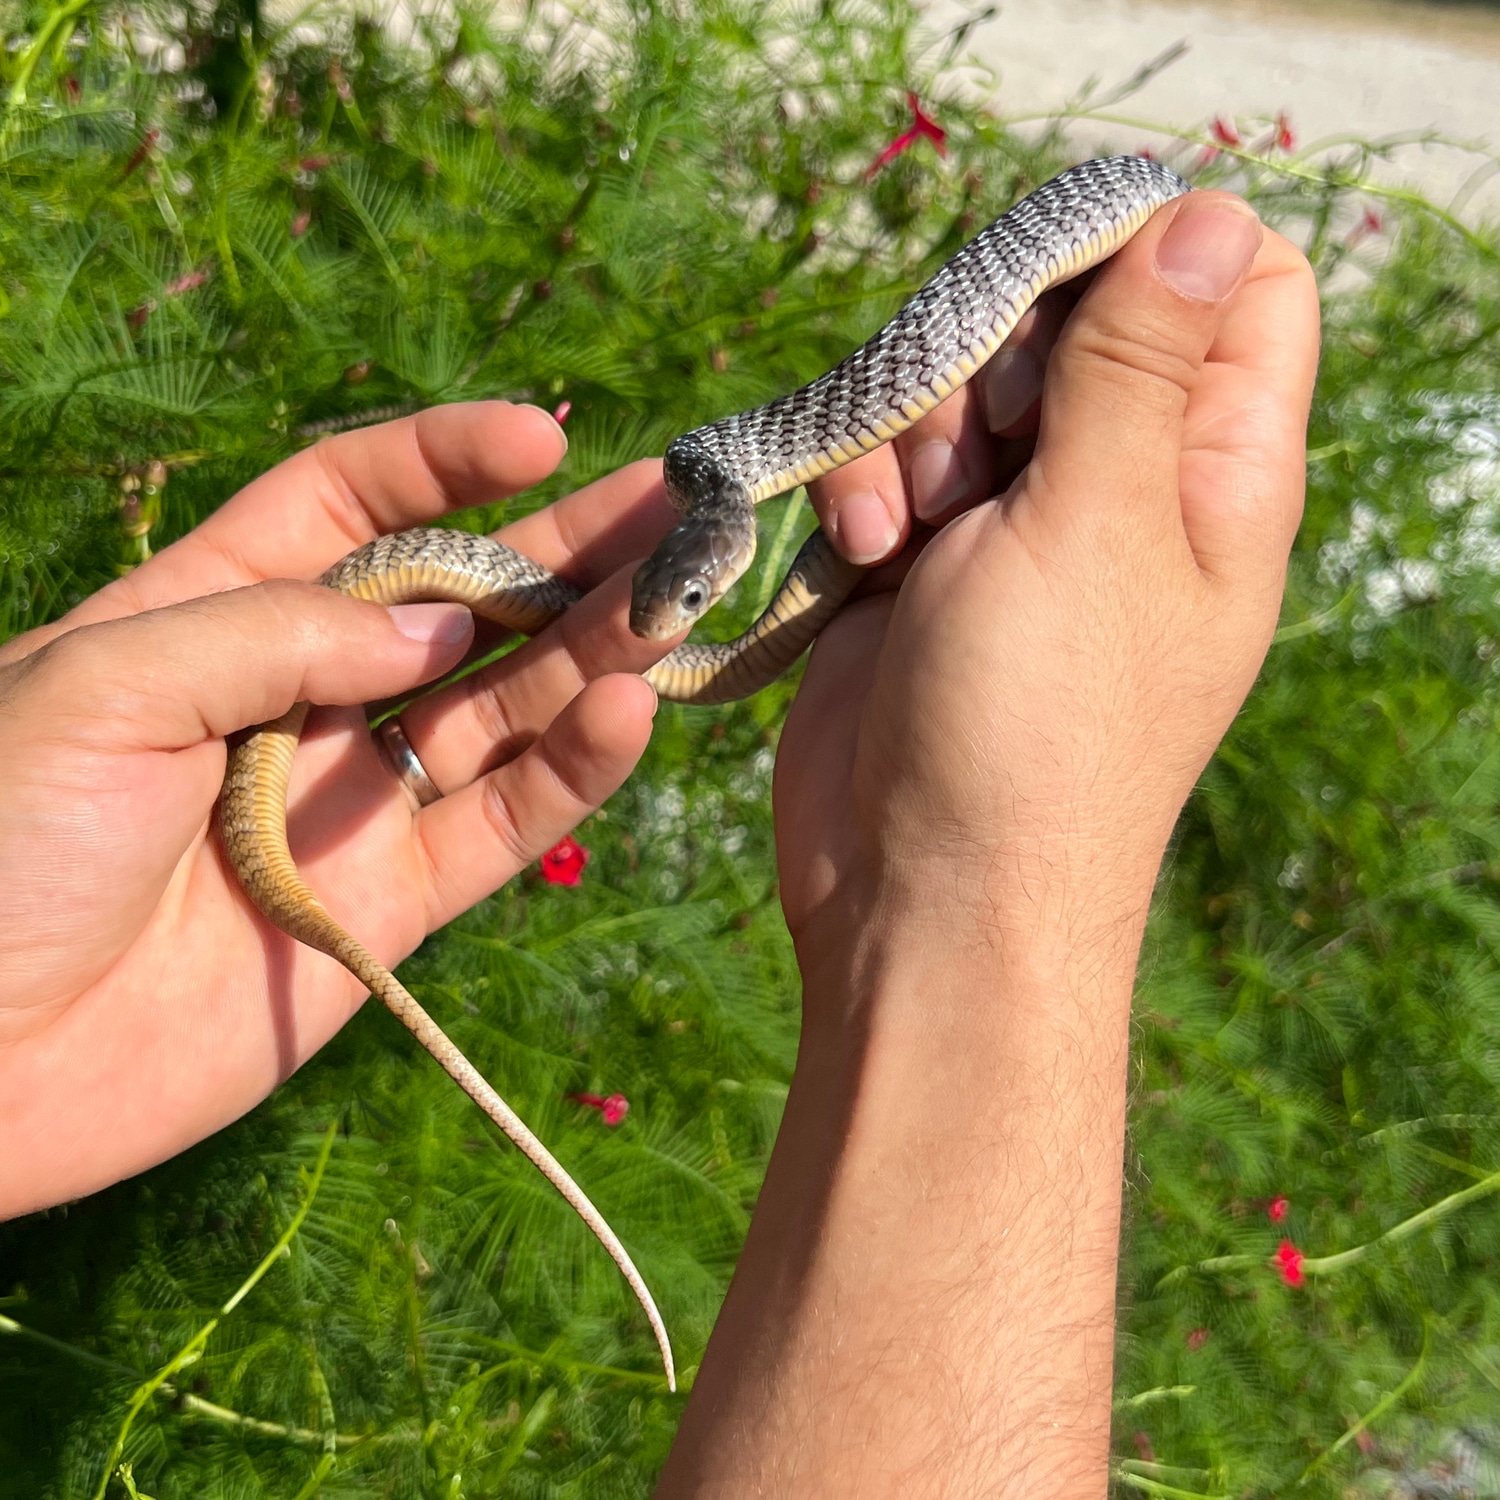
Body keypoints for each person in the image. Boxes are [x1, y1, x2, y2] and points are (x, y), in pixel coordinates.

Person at [0, 189, 1316, 1494]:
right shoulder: (709, 494)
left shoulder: (732, 495)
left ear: (729, 562)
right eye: (678, 596)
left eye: (691, 598)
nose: (676, 615)